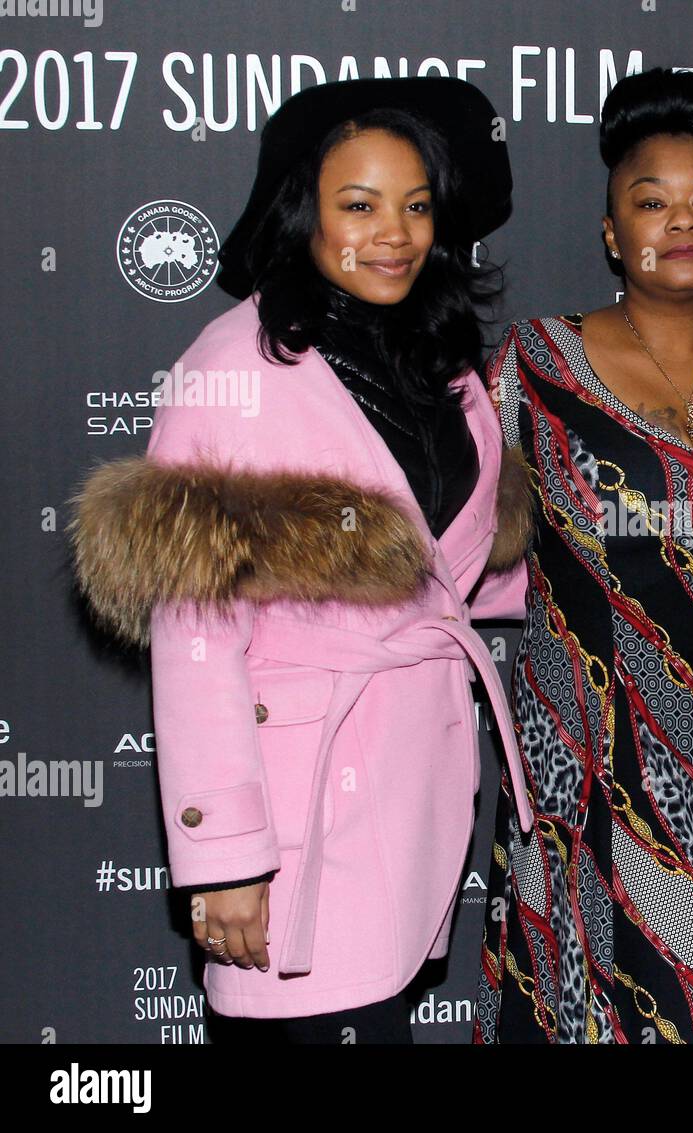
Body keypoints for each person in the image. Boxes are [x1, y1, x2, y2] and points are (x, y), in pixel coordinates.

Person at [68, 77, 534, 1043]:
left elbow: (465, 561)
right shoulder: (233, 367)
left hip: (412, 797)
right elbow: (194, 637)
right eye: (358, 206)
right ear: (302, 214)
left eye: (415, 207)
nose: (394, 233)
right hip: (297, 817)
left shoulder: (440, 362)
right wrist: (228, 856)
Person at [473, 68, 693, 1043]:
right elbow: (453, 546)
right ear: (612, 233)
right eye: (650, 201)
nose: (682, 220)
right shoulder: (534, 365)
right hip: (582, 765)